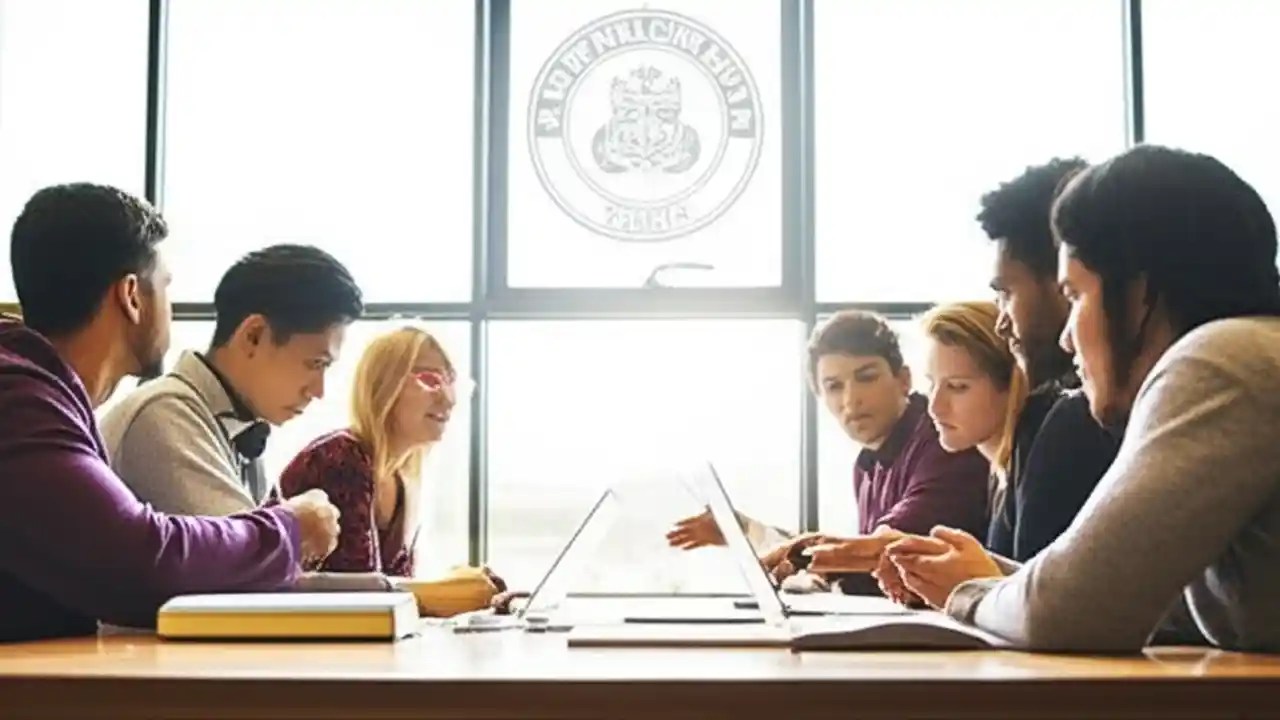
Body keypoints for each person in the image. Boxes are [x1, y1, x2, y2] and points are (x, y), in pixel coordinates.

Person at [885, 145, 1280, 652]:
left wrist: (971, 594)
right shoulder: (1253, 355)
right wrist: (990, 582)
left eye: (1074, 296)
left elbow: (1069, 615)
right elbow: (1139, 602)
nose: (1067, 337)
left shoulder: (1222, 359)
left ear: (1138, 291)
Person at [0, 183, 339, 642]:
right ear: (131, 296)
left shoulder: (40, 398)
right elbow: (139, 561)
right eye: (166, 286)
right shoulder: (19, 397)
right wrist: (289, 529)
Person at [668, 311, 990, 593]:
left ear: (904, 380)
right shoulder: (866, 466)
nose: (851, 400)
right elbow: (857, 562)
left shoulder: (945, 438)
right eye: (834, 386)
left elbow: (880, 550)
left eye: (867, 378)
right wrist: (746, 531)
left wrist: (797, 555)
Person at [99, 244, 364, 514]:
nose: (318, 391)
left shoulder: (236, 420)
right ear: (253, 336)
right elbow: (252, 541)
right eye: (315, 363)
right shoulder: (163, 416)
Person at [278, 327, 459, 575]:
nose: (449, 399)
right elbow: (361, 586)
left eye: (450, 380)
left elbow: (395, 587)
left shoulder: (402, 479)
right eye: (430, 380)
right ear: (384, 385)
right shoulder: (341, 458)